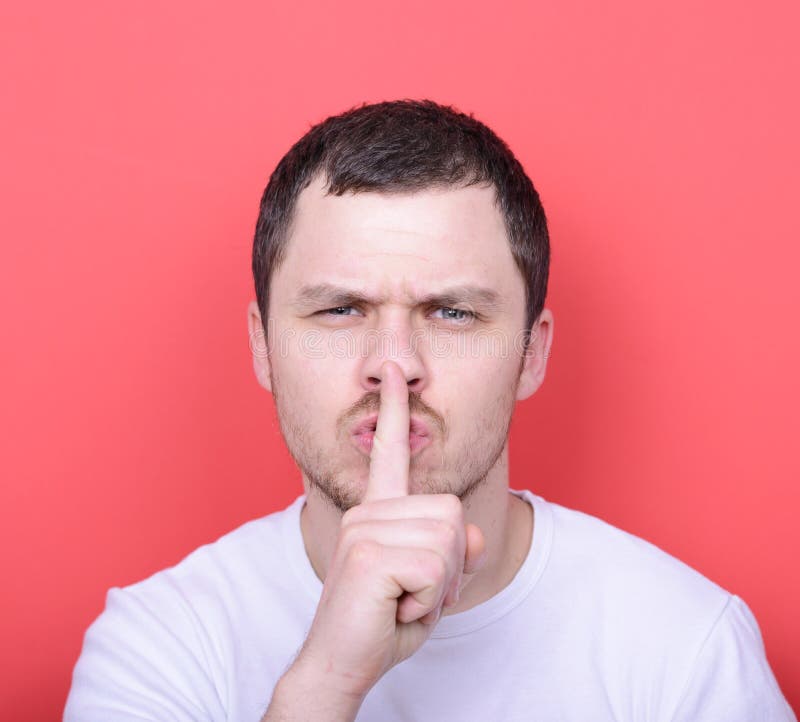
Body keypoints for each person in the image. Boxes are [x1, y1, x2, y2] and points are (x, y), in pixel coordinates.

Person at [64, 100, 795, 721]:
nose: (394, 364)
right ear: (263, 347)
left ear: (530, 355)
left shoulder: (688, 647)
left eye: (451, 313)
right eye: (339, 309)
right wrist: (325, 683)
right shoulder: (160, 644)